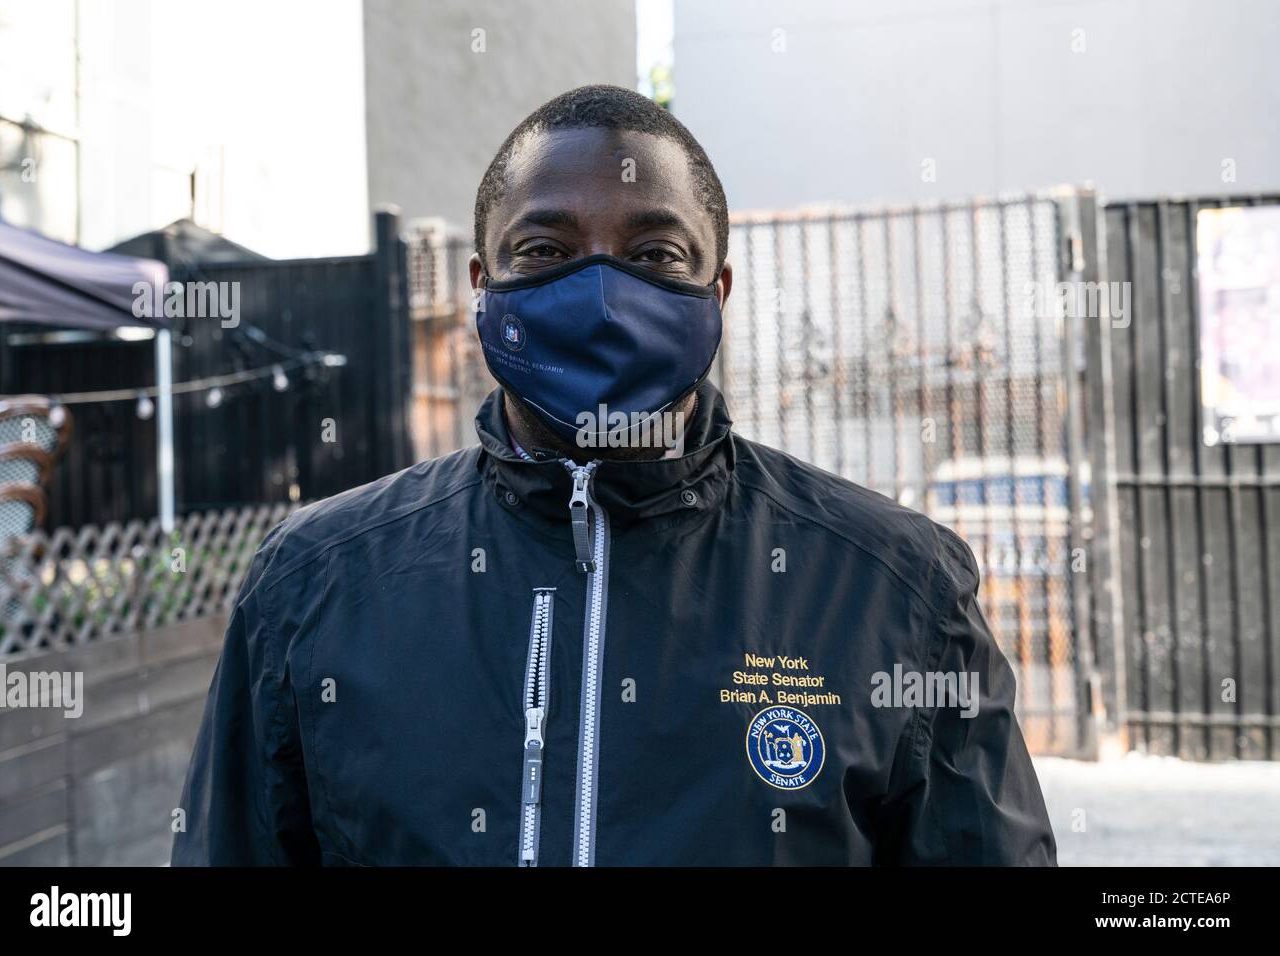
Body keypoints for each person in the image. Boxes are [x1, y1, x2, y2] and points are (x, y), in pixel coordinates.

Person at [172, 85, 1057, 866]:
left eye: (654, 255)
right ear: (483, 286)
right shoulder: (315, 583)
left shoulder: (892, 590)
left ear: (717, 293)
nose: (599, 296)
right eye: (547, 252)